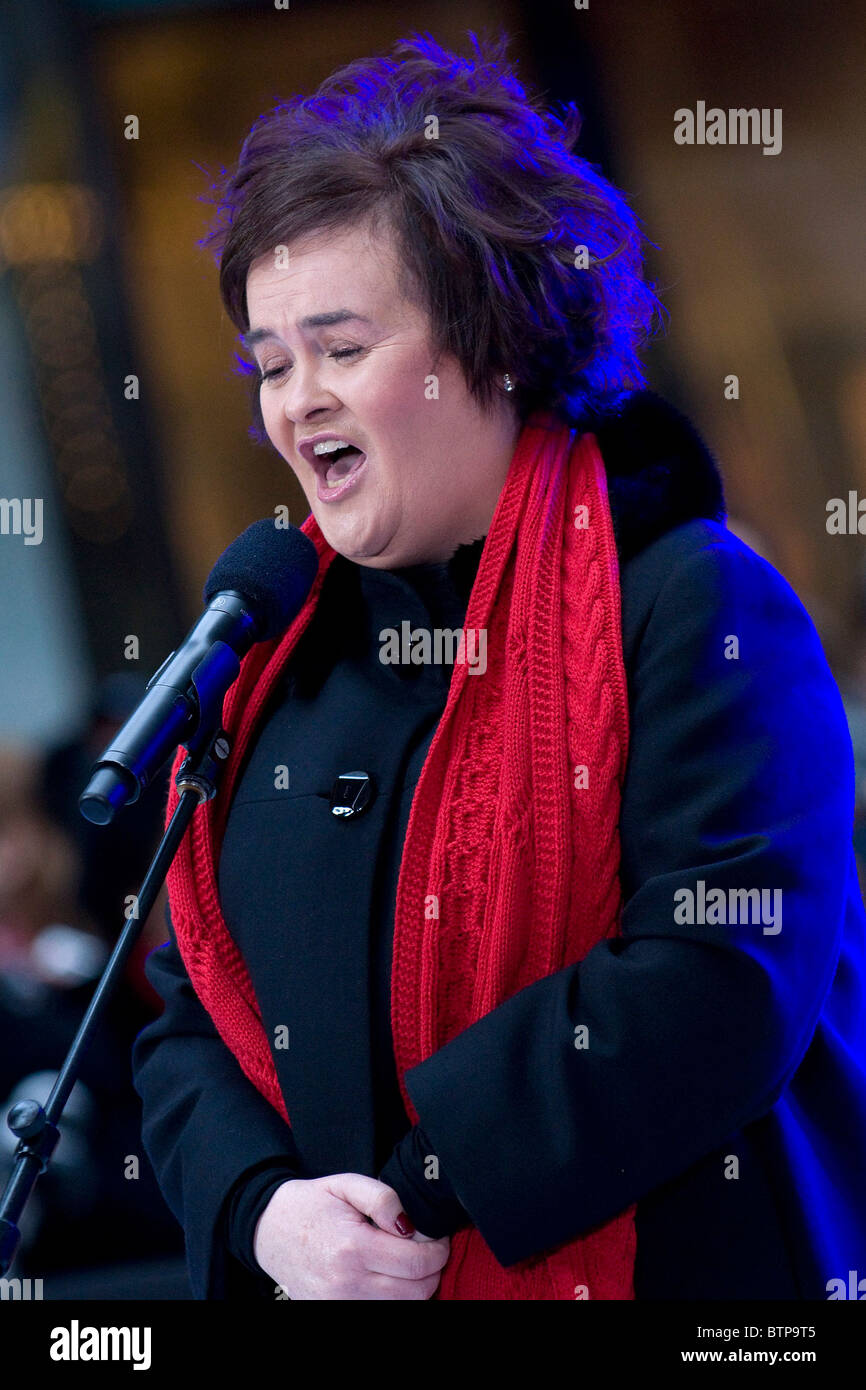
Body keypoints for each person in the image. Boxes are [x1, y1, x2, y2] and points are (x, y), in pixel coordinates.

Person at [131, 31, 866, 1301]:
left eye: (340, 348)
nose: (293, 401)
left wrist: (412, 1196)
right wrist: (265, 1215)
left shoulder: (691, 601)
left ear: (498, 341)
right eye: (267, 362)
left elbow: (720, 974)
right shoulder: (272, 665)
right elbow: (182, 1017)